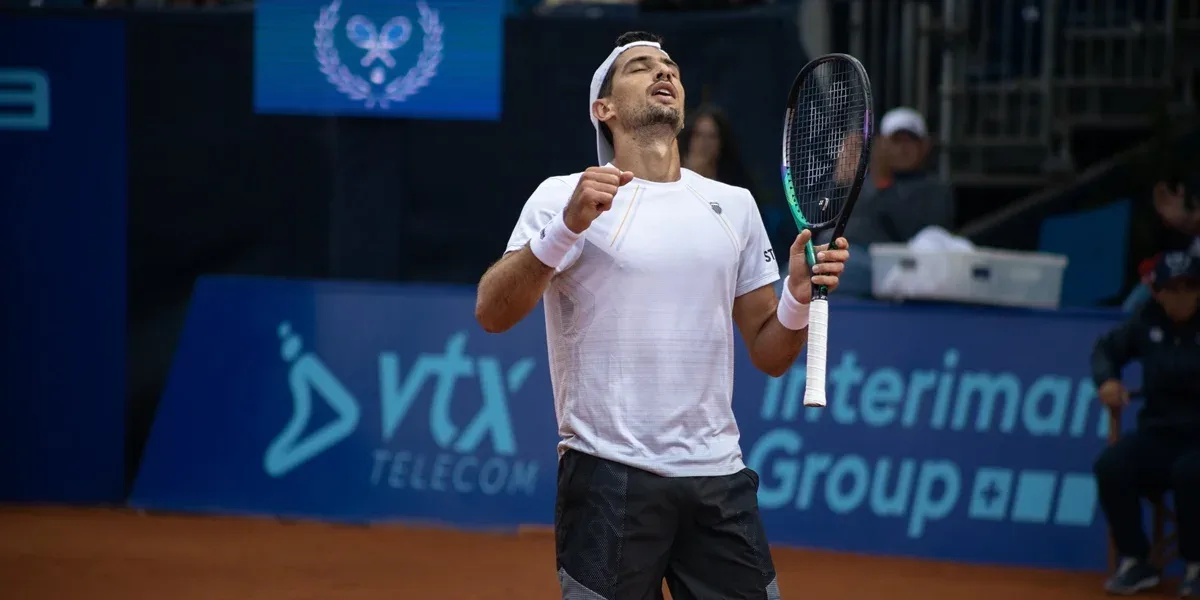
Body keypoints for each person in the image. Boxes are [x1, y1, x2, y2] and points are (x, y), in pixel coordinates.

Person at [474, 31, 850, 600]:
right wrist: (564, 231)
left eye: (669, 66)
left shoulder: (735, 206)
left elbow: (770, 354)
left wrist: (797, 296)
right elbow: (492, 312)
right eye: (640, 67)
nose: (663, 73)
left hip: (718, 479)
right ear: (605, 109)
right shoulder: (563, 197)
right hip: (608, 475)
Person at [1092, 250, 1200, 596]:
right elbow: (1105, 351)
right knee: (1112, 465)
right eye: (1174, 288)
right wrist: (1107, 380)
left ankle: (1197, 565)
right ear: (1158, 292)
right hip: (1159, 433)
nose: (1183, 296)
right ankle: (1136, 560)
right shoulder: (1146, 321)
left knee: (1189, 473)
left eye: (1191, 287)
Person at [837, 106, 955, 296]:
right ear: (881, 144)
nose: (902, 149)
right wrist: (838, 184)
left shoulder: (936, 189)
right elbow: (817, 223)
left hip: (889, 268)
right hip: (835, 256)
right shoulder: (857, 181)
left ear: (924, 146)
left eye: (910, 141)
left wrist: (882, 183)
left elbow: (918, 236)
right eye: (896, 141)